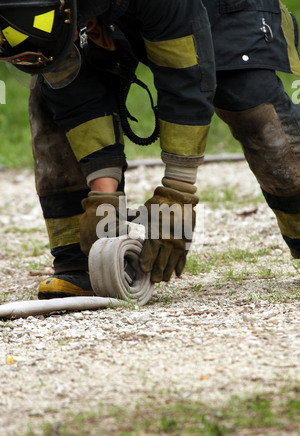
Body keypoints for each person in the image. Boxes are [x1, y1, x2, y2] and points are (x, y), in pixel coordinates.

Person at [1, 0, 300, 300]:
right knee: (49, 92)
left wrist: (178, 192)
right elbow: (77, 95)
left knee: (251, 104)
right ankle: (82, 262)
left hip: (215, 7)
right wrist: (103, 197)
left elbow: (185, 79)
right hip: (93, 11)